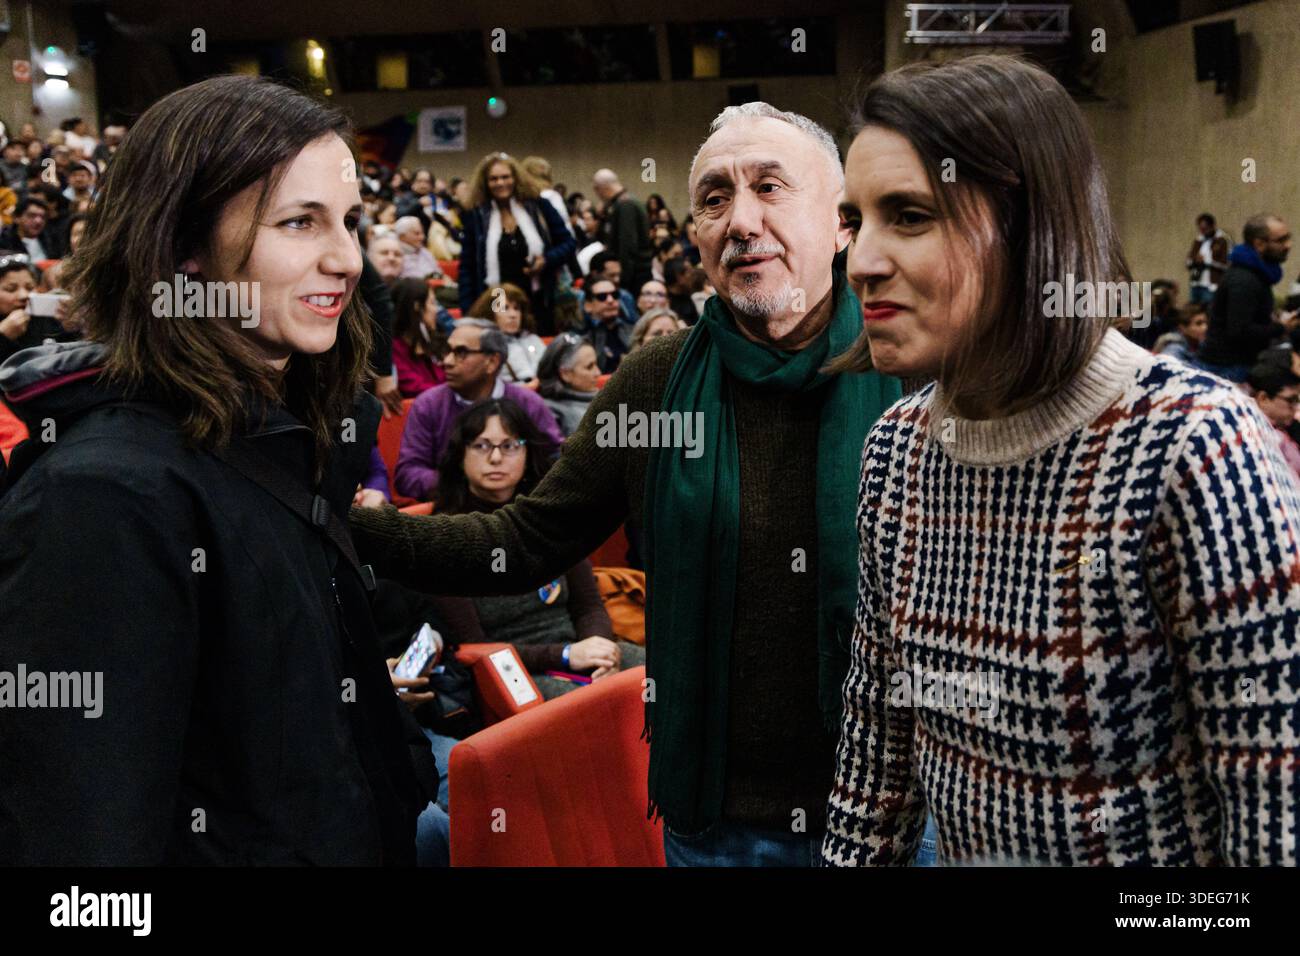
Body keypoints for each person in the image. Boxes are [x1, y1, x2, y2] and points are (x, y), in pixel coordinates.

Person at [350, 101, 902, 868]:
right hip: (715, 828)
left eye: (769, 187)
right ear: (698, 236)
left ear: (843, 223)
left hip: (901, 819)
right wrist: (346, 526)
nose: (740, 220)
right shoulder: (657, 382)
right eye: (714, 198)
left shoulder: (909, 364)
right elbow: (527, 539)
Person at [822, 54, 1300, 868]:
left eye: (908, 215)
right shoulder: (895, 453)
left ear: (1028, 225)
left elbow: (1273, 818)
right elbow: (877, 753)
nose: (862, 259)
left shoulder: (1193, 442)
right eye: (855, 219)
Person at [0, 74, 434, 864]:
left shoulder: (294, 441)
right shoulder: (103, 498)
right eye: (301, 223)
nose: (346, 258)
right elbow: (84, 848)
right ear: (185, 251)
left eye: (349, 222)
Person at [428, 397, 638, 698]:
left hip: (582, 650)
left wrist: (599, 653)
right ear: (460, 456)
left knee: (667, 678)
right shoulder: (444, 537)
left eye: (510, 445)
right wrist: (565, 655)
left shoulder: (551, 515)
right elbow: (474, 647)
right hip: (512, 670)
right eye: (482, 445)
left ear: (527, 454)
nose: (496, 458)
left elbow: (588, 605)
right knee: (595, 707)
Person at [394, 318, 564, 500]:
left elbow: (556, 458)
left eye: (461, 352)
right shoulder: (428, 405)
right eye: (448, 351)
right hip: (452, 513)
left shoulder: (528, 403)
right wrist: (469, 482)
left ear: (492, 361)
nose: (447, 361)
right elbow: (408, 474)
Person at [458, 152, 576, 336]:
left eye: (505, 177)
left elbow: (568, 243)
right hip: (496, 299)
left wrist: (546, 260)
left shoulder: (538, 206)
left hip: (538, 297)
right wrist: (468, 311)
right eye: (494, 179)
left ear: (516, 178)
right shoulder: (476, 216)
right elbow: (467, 266)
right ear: (485, 183)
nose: (500, 183)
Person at [1197, 213, 1298, 382]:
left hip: (1236, 364)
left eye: (1288, 238)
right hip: (1227, 369)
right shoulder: (1244, 280)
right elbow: (1239, 331)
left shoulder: (1256, 274)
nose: (1289, 245)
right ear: (1259, 244)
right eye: (1281, 240)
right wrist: (1280, 328)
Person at [0, 255, 79, 362]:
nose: (24, 295)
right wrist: (3, 336)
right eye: (11, 289)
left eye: (30, 287)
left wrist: (73, 328)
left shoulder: (50, 318)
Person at [467, 282, 545, 385]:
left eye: (516, 308)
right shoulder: (485, 346)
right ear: (490, 313)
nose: (513, 315)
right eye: (505, 308)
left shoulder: (533, 339)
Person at [592, 167, 653, 291]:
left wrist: (623, 279)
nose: (598, 195)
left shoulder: (625, 205)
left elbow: (628, 245)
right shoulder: (624, 202)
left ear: (602, 188)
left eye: (596, 190)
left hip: (634, 274)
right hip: (635, 270)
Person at [390, 277, 450, 397]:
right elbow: (414, 388)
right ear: (417, 307)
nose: (436, 310)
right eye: (432, 303)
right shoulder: (392, 348)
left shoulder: (432, 339)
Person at [536, 332, 601, 436]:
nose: (598, 373)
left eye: (596, 364)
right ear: (565, 374)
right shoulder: (552, 414)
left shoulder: (604, 397)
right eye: (589, 367)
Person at [1247, 363, 1300, 478]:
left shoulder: (1279, 429)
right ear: (1263, 399)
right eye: (1291, 400)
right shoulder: (1256, 436)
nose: (1296, 407)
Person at [582, 272, 634, 374]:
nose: (610, 300)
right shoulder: (581, 336)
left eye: (615, 295)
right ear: (588, 305)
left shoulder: (633, 329)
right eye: (602, 297)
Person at [1186, 213, 1230, 305]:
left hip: (1211, 286)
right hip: (1196, 283)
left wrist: (1206, 261)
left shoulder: (1222, 240)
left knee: (1209, 312)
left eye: (1205, 229)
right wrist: (1194, 260)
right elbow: (1189, 261)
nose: (1202, 232)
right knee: (1193, 311)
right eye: (1200, 229)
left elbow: (1226, 265)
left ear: (1212, 226)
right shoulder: (1198, 240)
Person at [395, 215, 442, 280]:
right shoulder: (394, 255)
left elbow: (440, 273)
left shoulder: (424, 251)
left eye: (422, 233)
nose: (422, 237)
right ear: (402, 236)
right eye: (416, 234)